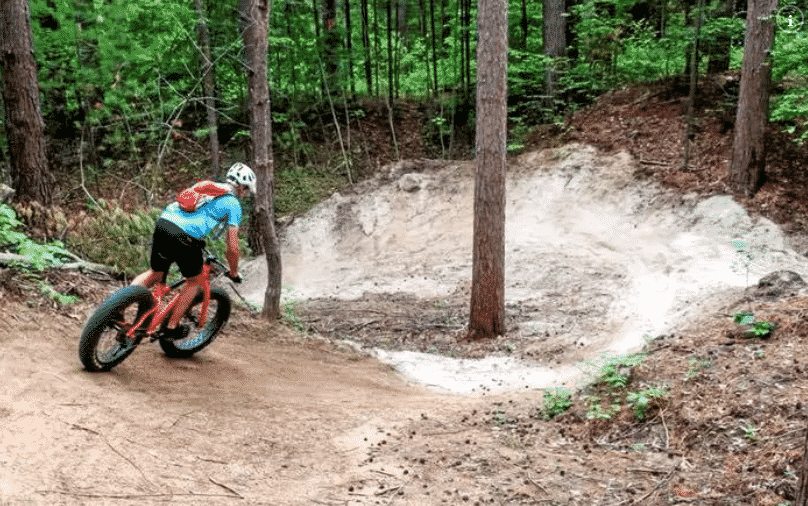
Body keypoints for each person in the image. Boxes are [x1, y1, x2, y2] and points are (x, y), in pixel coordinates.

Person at [131, 162, 257, 340]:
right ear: (242, 187)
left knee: (155, 273)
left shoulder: (209, 187)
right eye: (247, 190)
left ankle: (117, 306)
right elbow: (233, 247)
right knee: (195, 282)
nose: (245, 195)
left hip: (164, 223)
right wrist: (234, 271)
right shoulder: (233, 204)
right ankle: (172, 327)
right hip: (185, 237)